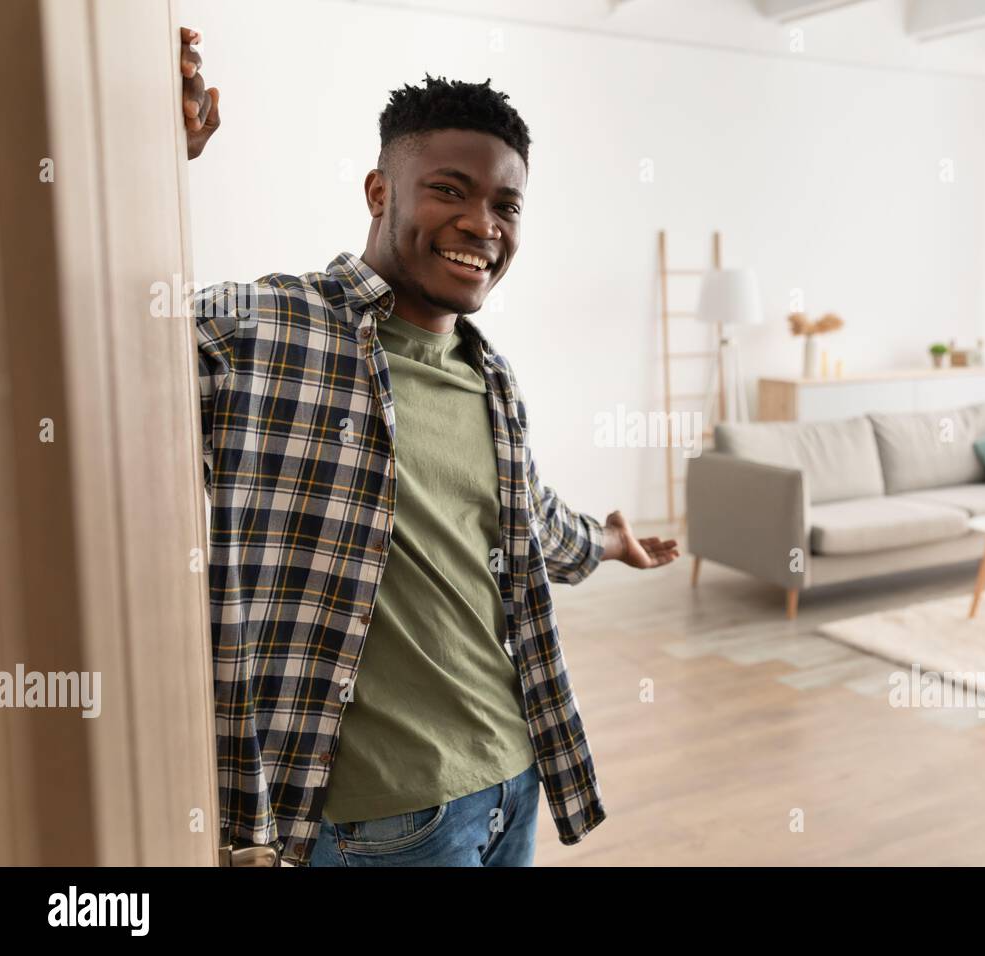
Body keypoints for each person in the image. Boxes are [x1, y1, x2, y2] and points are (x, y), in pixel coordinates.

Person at [179, 27, 679, 867]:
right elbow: (89, 337)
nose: (481, 225)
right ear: (381, 190)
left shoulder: (491, 380)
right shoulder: (260, 329)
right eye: (450, 190)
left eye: (506, 205)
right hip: (381, 821)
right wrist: (146, 165)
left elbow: (525, 516)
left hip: (514, 780)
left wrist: (608, 543)